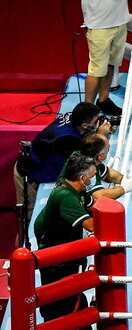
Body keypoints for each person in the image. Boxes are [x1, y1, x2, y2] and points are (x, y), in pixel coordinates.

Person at [14, 102, 111, 246]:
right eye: (96, 120)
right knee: (26, 223)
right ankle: (18, 260)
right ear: (85, 124)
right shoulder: (67, 138)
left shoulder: (73, 120)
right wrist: (100, 137)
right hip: (29, 174)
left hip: (40, 162)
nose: (99, 121)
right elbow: (84, 159)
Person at [33, 154, 98, 330]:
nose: (92, 180)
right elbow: (92, 225)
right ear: (82, 178)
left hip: (63, 254)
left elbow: (73, 157)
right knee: (59, 302)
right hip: (57, 261)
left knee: (72, 298)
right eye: (91, 176)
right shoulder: (66, 198)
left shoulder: (67, 183)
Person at [58, 132, 132, 200]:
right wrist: (124, 188)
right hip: (67, 208)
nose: (108, 149)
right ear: (101, 156)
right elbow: (99, 196)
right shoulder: (87, 169)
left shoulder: (85, 155)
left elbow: (107, 173)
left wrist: (125, 178)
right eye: (108, 148)